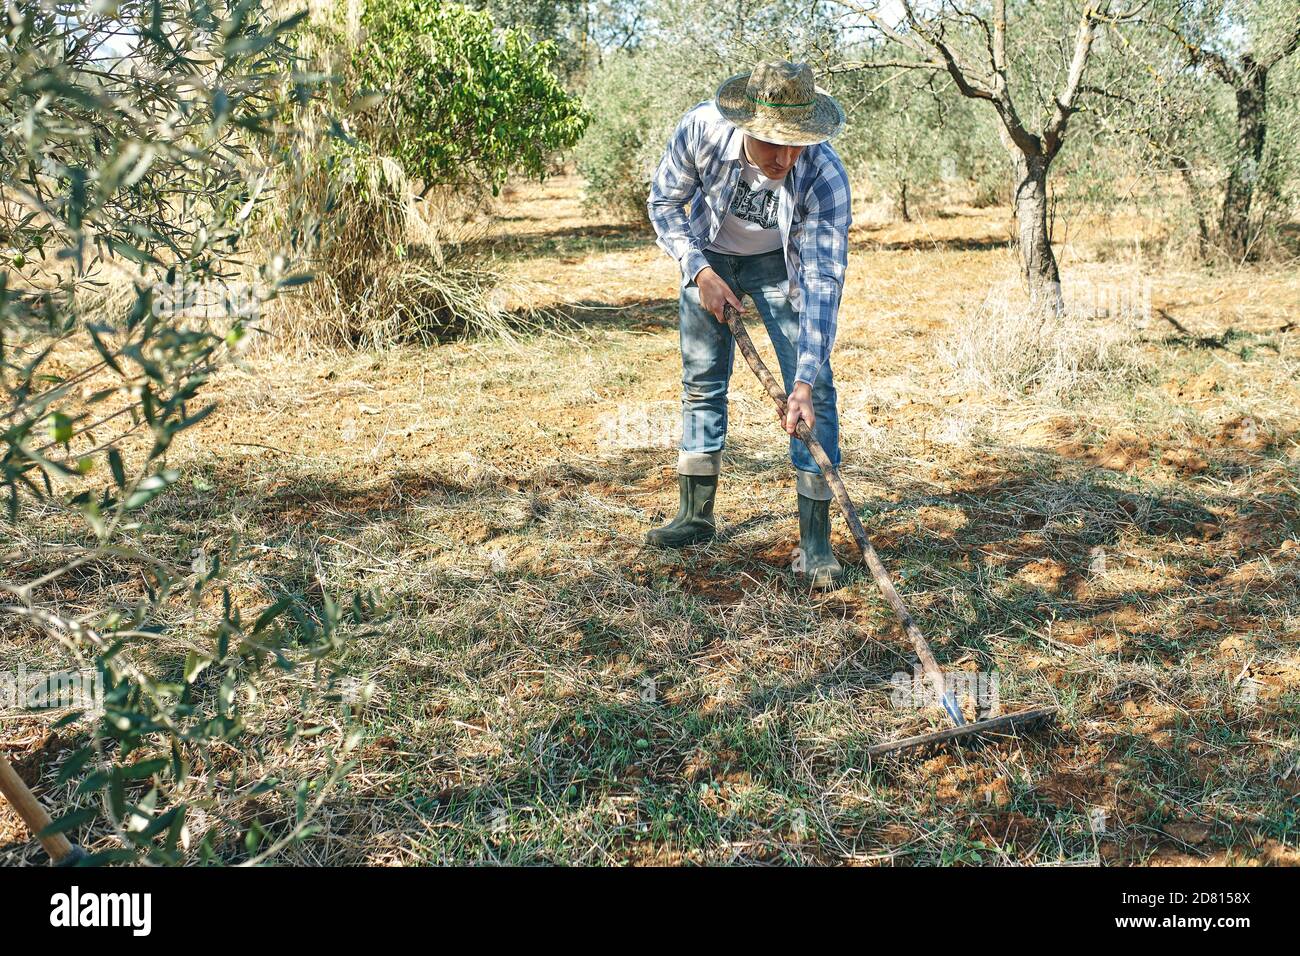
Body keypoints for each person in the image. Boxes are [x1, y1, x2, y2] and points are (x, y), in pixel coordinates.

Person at [645, 59, 851, 588]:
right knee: (701, 381)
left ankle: (815, 544)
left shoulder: (824, 176)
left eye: (796, 143)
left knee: (817, 393)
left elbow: (823, 282)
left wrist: (803, 379)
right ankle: (695, 516)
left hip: (779, 265)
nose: (785, 158)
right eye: (772, 143)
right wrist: (700, 271)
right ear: (745, 126)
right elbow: (665, 205)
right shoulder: (701, 131)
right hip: (709, 253)